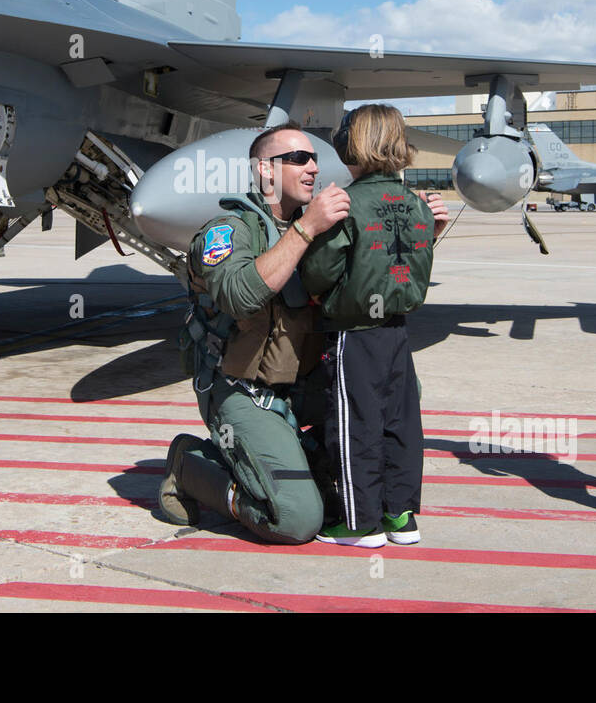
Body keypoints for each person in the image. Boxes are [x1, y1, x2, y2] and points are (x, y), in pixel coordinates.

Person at [157, 122, 350, 544]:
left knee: (390, 391)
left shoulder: (317, 230)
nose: (313, 167)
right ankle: (190, 465)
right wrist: (305, 229)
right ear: (265, 170)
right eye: (298, 158)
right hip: (243, 391)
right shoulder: (227, 231)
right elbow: (238, 297)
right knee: (296, 519)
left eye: (314, 158)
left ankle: (302, 462)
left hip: (301, 386)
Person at [300, 105, 449, 547]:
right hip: (398, 332)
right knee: (400, 422)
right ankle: (400, 516)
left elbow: (319, 274)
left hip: (354, 334)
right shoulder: (415, 204)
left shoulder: (346, 205)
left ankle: (359, 522)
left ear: (353, 144)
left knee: (355, 425)